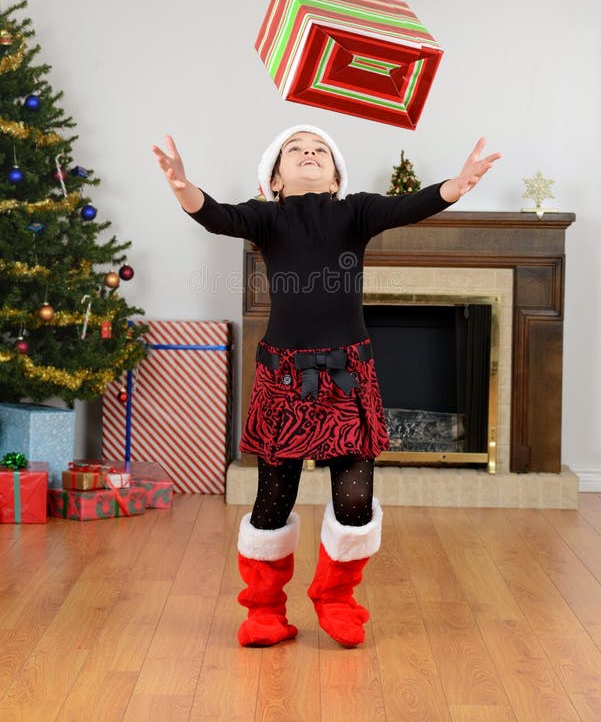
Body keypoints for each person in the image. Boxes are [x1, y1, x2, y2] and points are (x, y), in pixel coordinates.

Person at [152, 125, 501, 649]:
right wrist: (182, 185)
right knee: (273, 498)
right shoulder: (266, 217)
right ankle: (265, 609)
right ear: (275, 178)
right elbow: (217, 215)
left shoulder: (354, 212)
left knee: (355, 499)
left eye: (320, 151)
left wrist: (457, 185)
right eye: (296, 149)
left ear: (337, 177)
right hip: (285, 379)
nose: (309, 154)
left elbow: (410, 206)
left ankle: (337, 598)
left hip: (348, 374)